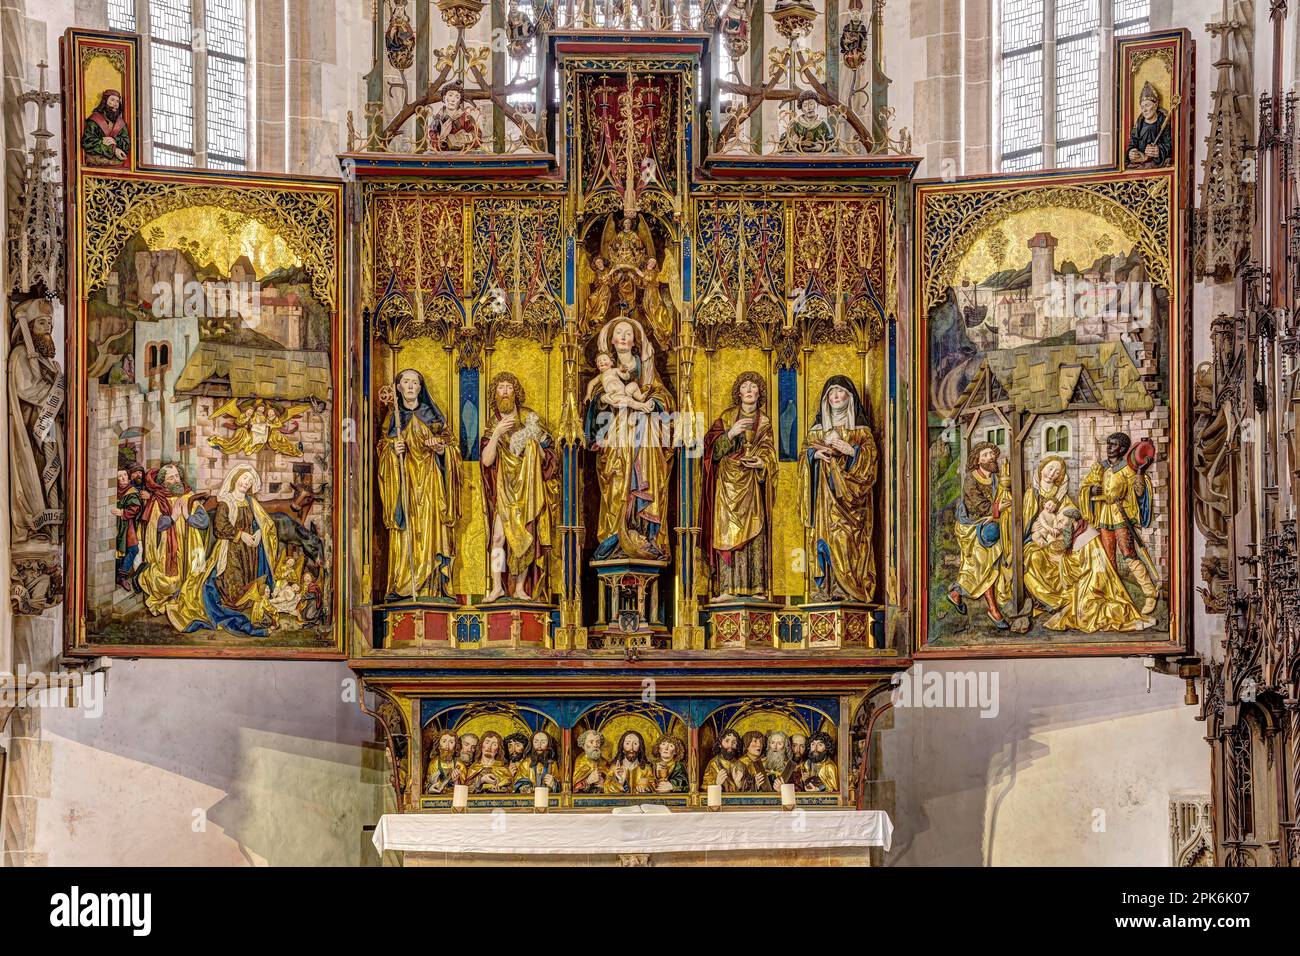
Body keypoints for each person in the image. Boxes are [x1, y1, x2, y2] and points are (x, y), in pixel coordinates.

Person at [377, 369, 461, 600]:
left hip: (432, 484)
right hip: (406, 484)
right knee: (407, 534)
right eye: (406, 382)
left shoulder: (433, 416)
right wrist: (393, 450)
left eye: (415, 382)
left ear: (421, 388)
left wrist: (442, 449)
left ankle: (432, 589)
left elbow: (452, 449)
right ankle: (405, 584)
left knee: (433, 531)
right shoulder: (392, 419)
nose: (411, 386)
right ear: (399, 388)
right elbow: (382, 450)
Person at [480, 372, 558, 602]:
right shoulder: (493, 424)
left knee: (525, 539)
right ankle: (496, 587)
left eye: (509, 387)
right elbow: (486, 460)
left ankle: (521, 587)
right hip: (504, 488)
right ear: (494, 394)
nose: (505, 391)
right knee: (497, 539)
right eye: (500, 388)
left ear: (516, 392)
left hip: (528, 488)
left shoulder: (529, 417)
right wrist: (496, 434)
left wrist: (534, 444)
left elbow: (549, 457)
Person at [801, 377, 878, 602]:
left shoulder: (860, 431)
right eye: (831, 393)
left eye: (840, 392)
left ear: (849, 396)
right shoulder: (817, 431)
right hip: (824, 500)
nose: (835, 396)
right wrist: (814, 455)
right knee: (825, 540)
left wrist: (852, 452)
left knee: (846, 540)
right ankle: (828, 587)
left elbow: (871, 460)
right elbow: (803, 458)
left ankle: (850, 589)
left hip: (852, 502)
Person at [702, 372, 776, 601]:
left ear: (759, 392)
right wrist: (730, 433)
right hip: (726, 484)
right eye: (745, 386)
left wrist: (762, 462)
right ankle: (727, 589)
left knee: (755, 530)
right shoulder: (726, 417)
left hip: (751, 483)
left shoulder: (764, 422)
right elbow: (709, 451)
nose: (750, 390)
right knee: (727, 533)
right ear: (739, 392)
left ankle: (756, 589)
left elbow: (770, 452)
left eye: (754, 386)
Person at [947, 441, 1012, 628]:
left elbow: (1000, 497)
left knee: (987, 564)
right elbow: (978, 504)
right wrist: (997, 509)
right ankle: (992, 609)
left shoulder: (995, 478)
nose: (990, 457)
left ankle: (958, 594)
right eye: (985, 455)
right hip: (970, 526)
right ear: (977, 460)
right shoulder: (971, 479)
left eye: (992, 454)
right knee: (984, 562)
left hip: (989, 523)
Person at [1126, 82, 1172, 167]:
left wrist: (1159, 150)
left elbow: (1170, 143)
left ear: (1156, 105)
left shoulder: (1164, 122)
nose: (1144, 110)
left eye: (1147, 106)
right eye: (1142, 107)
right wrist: (1131, 152)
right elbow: (1133, 141)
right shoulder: (1139, 123)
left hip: (1157, 164)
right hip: (1140, 163)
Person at [82, 88, 129, 165]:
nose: (115, 104)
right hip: (96, 162)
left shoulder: (121, 123)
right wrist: (113, 149)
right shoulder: (95, 120)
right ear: (105, 102)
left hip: (117, 164)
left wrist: (115, 140)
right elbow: (88, 142)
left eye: (117, 101)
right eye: (112, 100)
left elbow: (126, 143)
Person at [572, 729, 609, 794]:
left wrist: (604, 785)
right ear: (583, 745)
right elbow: (572, 789)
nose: (595, 745)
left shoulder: (604, 763)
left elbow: (612, 786)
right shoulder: (580, 762)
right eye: (591, 742)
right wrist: (588, 781)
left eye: (598, 742)